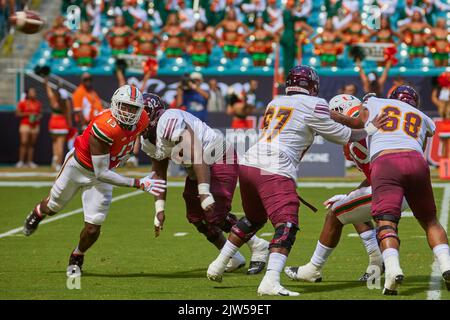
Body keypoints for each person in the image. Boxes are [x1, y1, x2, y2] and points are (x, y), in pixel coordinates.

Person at [206, 65, 388, 296]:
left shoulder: (276, 102)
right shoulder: (314, 104)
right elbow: (344, 135)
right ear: (312, 85)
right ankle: (271, 280)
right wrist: (371, 129)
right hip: (275, 167)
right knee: (286, 225)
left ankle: (218, 264)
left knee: (253, 219)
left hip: (250, 163)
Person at [22, 85, 166, 277]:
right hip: (80, 168)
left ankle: (77, 256)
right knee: (53, 206)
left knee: (93, 227)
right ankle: (38, 212)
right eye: (124, 106)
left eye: (133, 108)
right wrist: (138, 183)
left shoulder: (142, 120)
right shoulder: (104, 125)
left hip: (106, 171)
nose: (128, 112)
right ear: (115, 104)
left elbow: (137, 136)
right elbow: (101, 173)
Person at [141, 93, 269, 275]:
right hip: (197, 166)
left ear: (154, 113)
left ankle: (258, 244)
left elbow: (197, 154)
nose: (138, 118)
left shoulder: (169, 121)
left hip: (217, 156)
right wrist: (159, 208)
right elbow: (159, 172)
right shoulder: (146, 140)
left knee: (215, 213)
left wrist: (204, 191)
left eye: (142, 113)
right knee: (196, 216)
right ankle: (234, 257)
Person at [285, 94, 408, 283]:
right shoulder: (374, 118)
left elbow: (376, 175)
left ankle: (313, 268)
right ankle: (377, 261)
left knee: (335, 214)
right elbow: (373, 176)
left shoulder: (356, 136)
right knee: (351, 206)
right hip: (409, 182)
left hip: (391, 189)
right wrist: (349, 195)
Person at [364, 85, 450, 295]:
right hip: (415, 160)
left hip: (387, 161)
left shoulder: (376, 102)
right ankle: (447, 265)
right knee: (430, 220)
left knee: (386, 221)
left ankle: (393, 270)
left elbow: (359, 116)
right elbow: (422, 141)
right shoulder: (423, 117)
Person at [45, 78, 71, 171]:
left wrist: (46, 80)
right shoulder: (66, 102)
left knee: (54, 144)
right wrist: (70, 125)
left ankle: (55, 159)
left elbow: (48, 90)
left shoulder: (53, 99)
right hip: (62, 124)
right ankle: (58, 164)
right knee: (60, 145)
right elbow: (68, 115)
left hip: (53, 123)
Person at [15, 87, 42, 168]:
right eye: (31, 92)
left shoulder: (38, 103)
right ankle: (21, 161)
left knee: (31, 144)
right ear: (28, 94)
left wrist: (37, 117)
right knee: (24, 142)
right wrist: (28, 114)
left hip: (35, 125)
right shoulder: (23, 102)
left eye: (34, 92)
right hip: (25, 124)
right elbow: (17, 113)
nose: (33, 93)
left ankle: (29, 162)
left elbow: (40, 114)